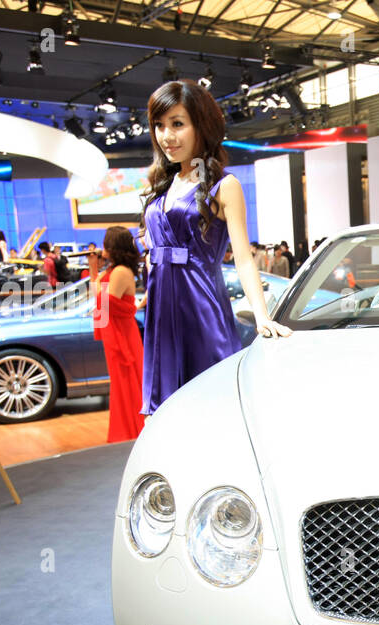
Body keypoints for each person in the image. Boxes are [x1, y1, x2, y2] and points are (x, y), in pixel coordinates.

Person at [138, 79, 289, 416]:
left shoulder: (224, 186)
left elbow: (244, 259)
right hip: (162, 313)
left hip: (200, 306)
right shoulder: (162, 187)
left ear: (200, 126)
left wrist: (262, 315)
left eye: (178, 124)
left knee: (211, 405)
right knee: (167, 412)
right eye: (160, 126)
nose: (167, 136)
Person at [90, 226, 145, 443]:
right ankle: (127, 431)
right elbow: (100, 297)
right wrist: (95, 271)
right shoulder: (114, 271)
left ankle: (131, 431)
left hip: (122, 335)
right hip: (117, 333)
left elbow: (106, 302)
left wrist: (97, 276)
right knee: (122, 382)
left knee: (127, 381)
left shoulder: (121, 272)